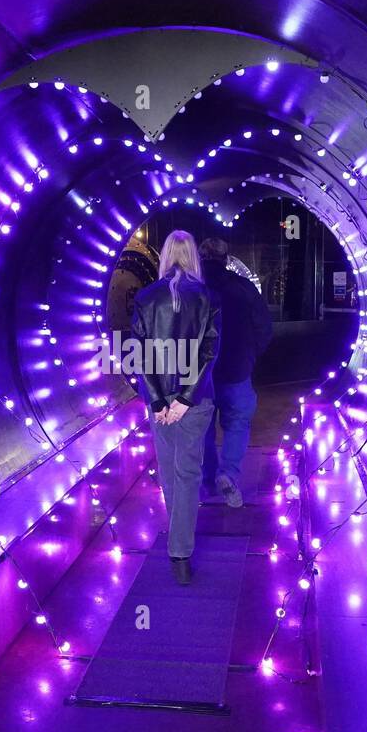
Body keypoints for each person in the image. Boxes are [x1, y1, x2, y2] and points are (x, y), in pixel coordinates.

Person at [131, 230, 220, 585]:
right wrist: (185, 398)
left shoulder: (146, 297)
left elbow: (139, 354)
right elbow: (209, 352)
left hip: (160, 404)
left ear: (166, 255)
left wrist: (158, 400)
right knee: (187, 475)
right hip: (195, 402)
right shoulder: (207, 297)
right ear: (193, 256)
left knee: (170, 475)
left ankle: (178, 546)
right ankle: (180, 553)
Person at [198, 237, 273, 508]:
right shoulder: (243, 287)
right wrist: (251, 355)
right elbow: (264, 327)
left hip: (199, 375)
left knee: (202, 429)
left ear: (201, 256)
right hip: (237, 369)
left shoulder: (192, 287)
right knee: (238, 424)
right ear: (226, 257)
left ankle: (205, 482)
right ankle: (228, 474)